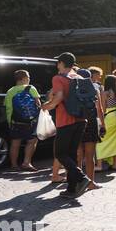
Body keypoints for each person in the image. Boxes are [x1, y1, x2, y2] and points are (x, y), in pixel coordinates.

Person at [39, 53, 91, 198]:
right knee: (72, 154)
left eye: (58, 63)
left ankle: (81, 178)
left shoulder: (58, 78)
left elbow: (59, 97)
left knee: (60, 154)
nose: (57, 66)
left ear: (61, 63)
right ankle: (72, 189)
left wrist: (47, 106)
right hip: (81, 120)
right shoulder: (79, 77)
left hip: (65, 120)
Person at [4, 69, 42, 171]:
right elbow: (38, 104)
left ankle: (14, 165)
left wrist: (10, 121)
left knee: (15, 143)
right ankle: (26, 163)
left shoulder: (10, 91)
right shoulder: (31, 88)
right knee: (32, 141)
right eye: (29, 77)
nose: (29, 79)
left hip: (16, 121)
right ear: (25, 78)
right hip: (30, 121)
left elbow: (8, 108)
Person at [78, 65, 105, 188]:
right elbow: (99, 109)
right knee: (90, 155)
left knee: (77, 154)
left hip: (76, 122)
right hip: (91, 122)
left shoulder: (72, 88)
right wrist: (103, 125)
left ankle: (77, 181)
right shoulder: (95, 89)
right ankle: (90, 183)